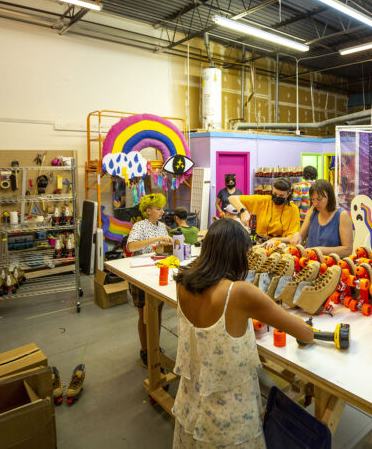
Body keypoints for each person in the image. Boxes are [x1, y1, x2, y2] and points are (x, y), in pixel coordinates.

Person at [172, 219, 314, 448]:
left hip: (191, 403)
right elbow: (305, 333)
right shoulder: (238, 293)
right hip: (228, 416)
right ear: (238, 254)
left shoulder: (183, 280)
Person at [126, 193, 173, 368]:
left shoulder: (162, 226)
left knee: (157, 311)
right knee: (143, 314)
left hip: (157, 271)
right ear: (148, 211)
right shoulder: (139, 226)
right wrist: (157, 238)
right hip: (140, 274)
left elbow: (162, 248)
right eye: (158, 208)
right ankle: (145, 349)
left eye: (162, 208)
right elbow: (131, 246)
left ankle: (155, 345)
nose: (162, 211)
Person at [228, 177, 299, 247]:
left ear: (288, 194)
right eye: (275, 193)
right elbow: (232, 198)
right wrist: (243, 211)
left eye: (281, 195)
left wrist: (275, 239)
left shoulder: (293, 210)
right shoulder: (263, 201)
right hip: (259, 245)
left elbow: (292, 237)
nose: (277, 197)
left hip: (280, 247)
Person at [290, 179, 353, 258]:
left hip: (333, 266)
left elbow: (347, 249)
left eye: (319, 199)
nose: (315, 203)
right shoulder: (312, 211)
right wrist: (297, 235)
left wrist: (318, 250)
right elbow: (301, 234)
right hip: (310, 263)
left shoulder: (342, 215)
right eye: (313, 199)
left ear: (329, 197)